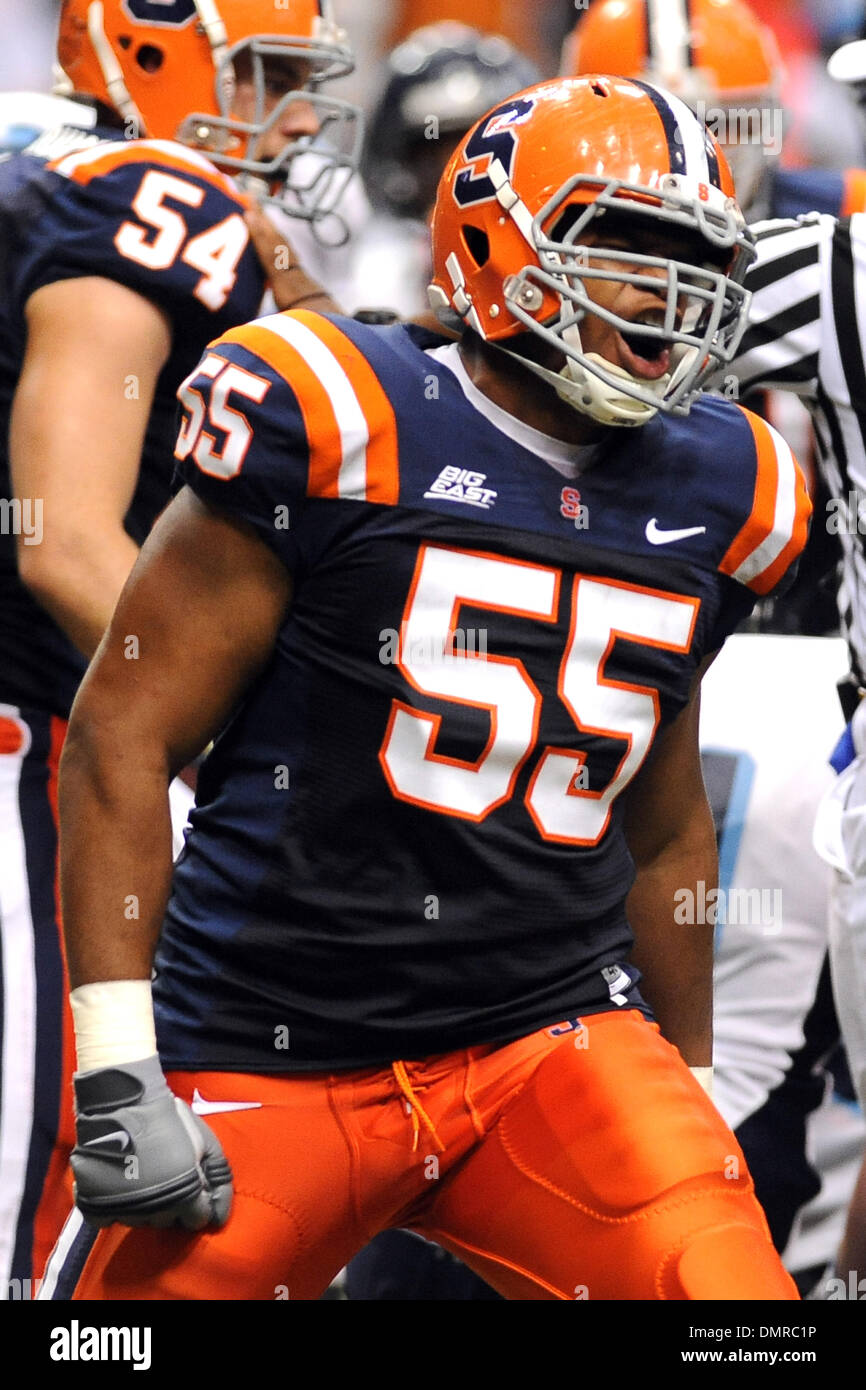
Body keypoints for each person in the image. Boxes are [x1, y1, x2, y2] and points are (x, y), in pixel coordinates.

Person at [43, 75, 809, 1302]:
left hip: (547, 1042)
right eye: (627, 246)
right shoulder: (342, 413)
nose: (672, 293)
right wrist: (119, 1065)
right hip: (267, 1038)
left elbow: (664, 824)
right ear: (501, 239)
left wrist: (690, 1081)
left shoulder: (729, 487)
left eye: (692, 256)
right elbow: (122, 736)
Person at [0, 0, 358, 1299]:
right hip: (34, 745)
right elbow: (64, 540)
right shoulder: (154, 198)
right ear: (152, 51)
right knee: (48, 1184)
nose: (301, 115)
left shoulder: (56, 162)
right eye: (266, 74)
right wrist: (254, 742)